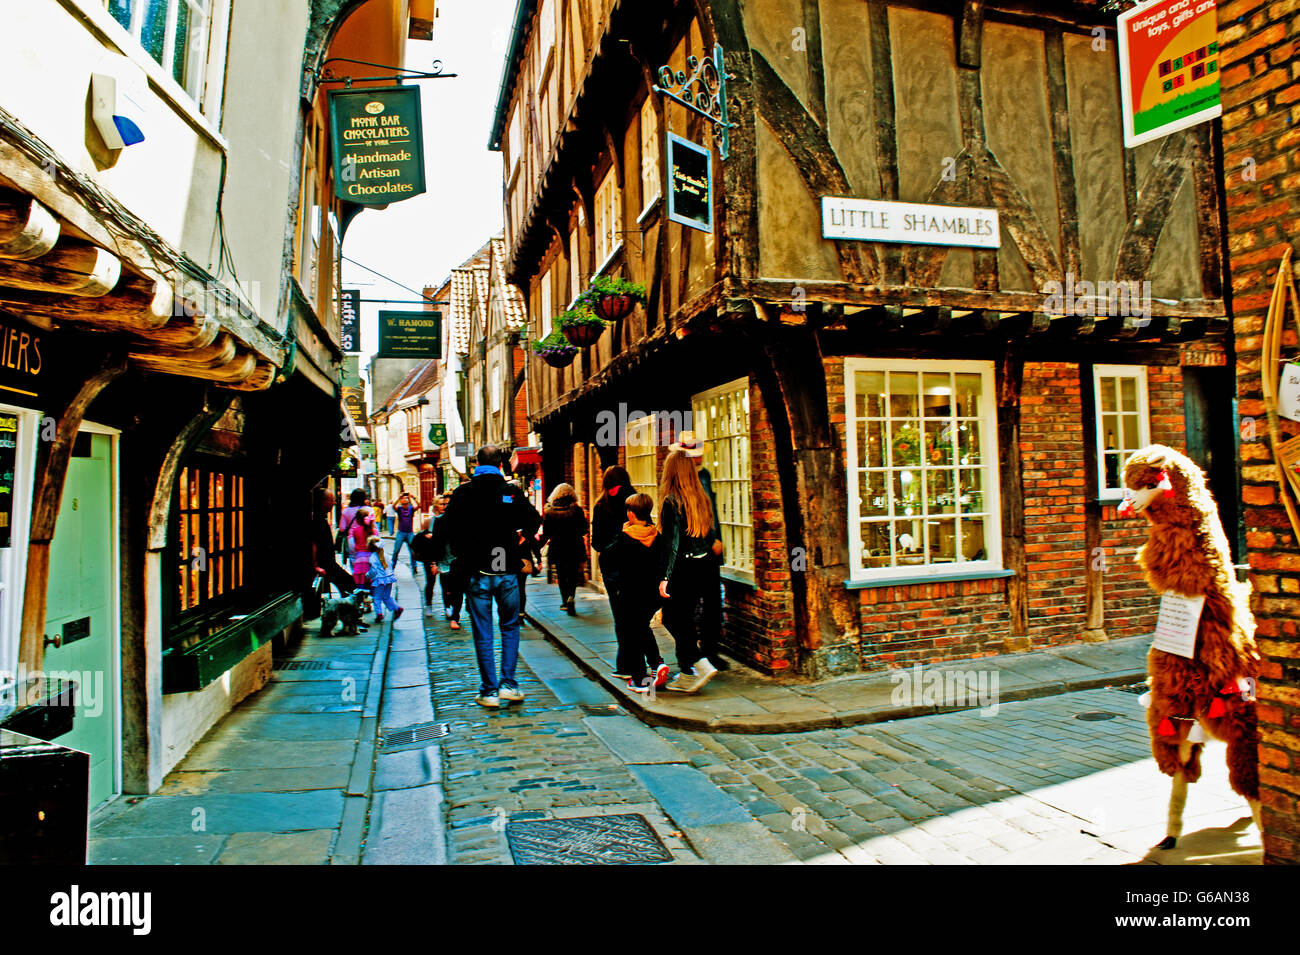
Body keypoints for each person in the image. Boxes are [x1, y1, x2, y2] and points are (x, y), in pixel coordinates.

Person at [439, 446, 541, 707]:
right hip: (507, 569)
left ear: (476, 463)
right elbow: (534, 519)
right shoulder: (510, 491)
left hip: (475, 571)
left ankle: (488, 691)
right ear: (500, 464)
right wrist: (519, 538)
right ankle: (508, 684)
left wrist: (456, 552)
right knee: (509, 627)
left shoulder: (464, 492)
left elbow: (446, 527)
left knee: (483, 630)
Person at [657, 449, 723, 693]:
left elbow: (672, 543)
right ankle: (686, 672)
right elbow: (708, 534)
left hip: (683, 568)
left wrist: (665, 577)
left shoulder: (672, 501)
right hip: (703, 566)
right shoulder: (701, 498)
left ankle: (698, 663)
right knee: (684, 619)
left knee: (673, 618)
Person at [672, 431, 730, 671]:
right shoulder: (679, 483)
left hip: (708, 555)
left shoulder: (704, 476)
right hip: (689, 556)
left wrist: (716, 539)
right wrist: (709, 540)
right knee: (684, 609)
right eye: (693, 456)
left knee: (713, 605)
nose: (698, 459)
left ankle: (709, 650)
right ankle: (688, 657)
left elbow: (711, 512)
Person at [603, 493, 670, 693]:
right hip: (651, 593)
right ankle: (657, 664)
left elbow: (607, 559)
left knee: (630, 634)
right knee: (641, 628)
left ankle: (640, 679)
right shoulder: (657, 536)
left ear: (631, 514)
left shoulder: (625, 538)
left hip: (629, 593)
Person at [540, 483, 589, 615]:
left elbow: (546, 532)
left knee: (561, 574)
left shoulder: (550, 511)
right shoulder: (577, 510)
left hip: (557, 546)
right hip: (574, 545)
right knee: (573, 573)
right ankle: (571, 596)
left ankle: (564, 600)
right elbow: (584, 529)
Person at [419, 494, 465, 628]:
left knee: (458, 589)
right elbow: (434, 543)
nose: (446, 507)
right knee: (446, 587)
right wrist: (433, 562)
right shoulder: (437, 521)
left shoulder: (461, 520)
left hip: (458, 559)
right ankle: (443, 607)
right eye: (443, 504)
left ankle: (454, 616)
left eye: (448, 504)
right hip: (444, 559)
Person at [311, 486, 355, 596]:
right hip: (325, 564)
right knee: (350, 585)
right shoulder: (317, 520)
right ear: (323, 501)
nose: (334, 503)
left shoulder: (321, 518)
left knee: (349, 586)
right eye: (331, 500)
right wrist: (315, 565)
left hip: (329, 564)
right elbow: (313, 543)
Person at [339, 489, 377, 589]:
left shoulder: (346, 511)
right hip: (368, 539)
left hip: (352, 540)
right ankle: (369, 583)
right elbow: (374, 527)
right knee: (369, 561)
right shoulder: (369, 510)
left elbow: (342, 528)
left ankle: (358, 584)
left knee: (355, 563)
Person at [365, 535, 403, 622]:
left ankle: (379, 614)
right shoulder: (386, 555)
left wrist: (367, 575)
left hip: (379, 580)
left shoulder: (372, 558)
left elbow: (373, 571)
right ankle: (397, 608)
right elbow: (391, 564)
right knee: (386, 597)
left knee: (377, 597)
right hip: (389, 578)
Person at [391, 491, 419, 576]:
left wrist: (414, 498)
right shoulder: (399, 509)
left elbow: (419, 506)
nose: (404, 500)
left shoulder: (411, 508)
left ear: (408, 500)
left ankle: (414, 567)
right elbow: (393, 506)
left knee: (413, 551)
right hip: (401, 532)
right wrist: (398, 498)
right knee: (396, 550)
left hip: (410, 532)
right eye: (402, 498)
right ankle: (392, 566)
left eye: (406, 498)